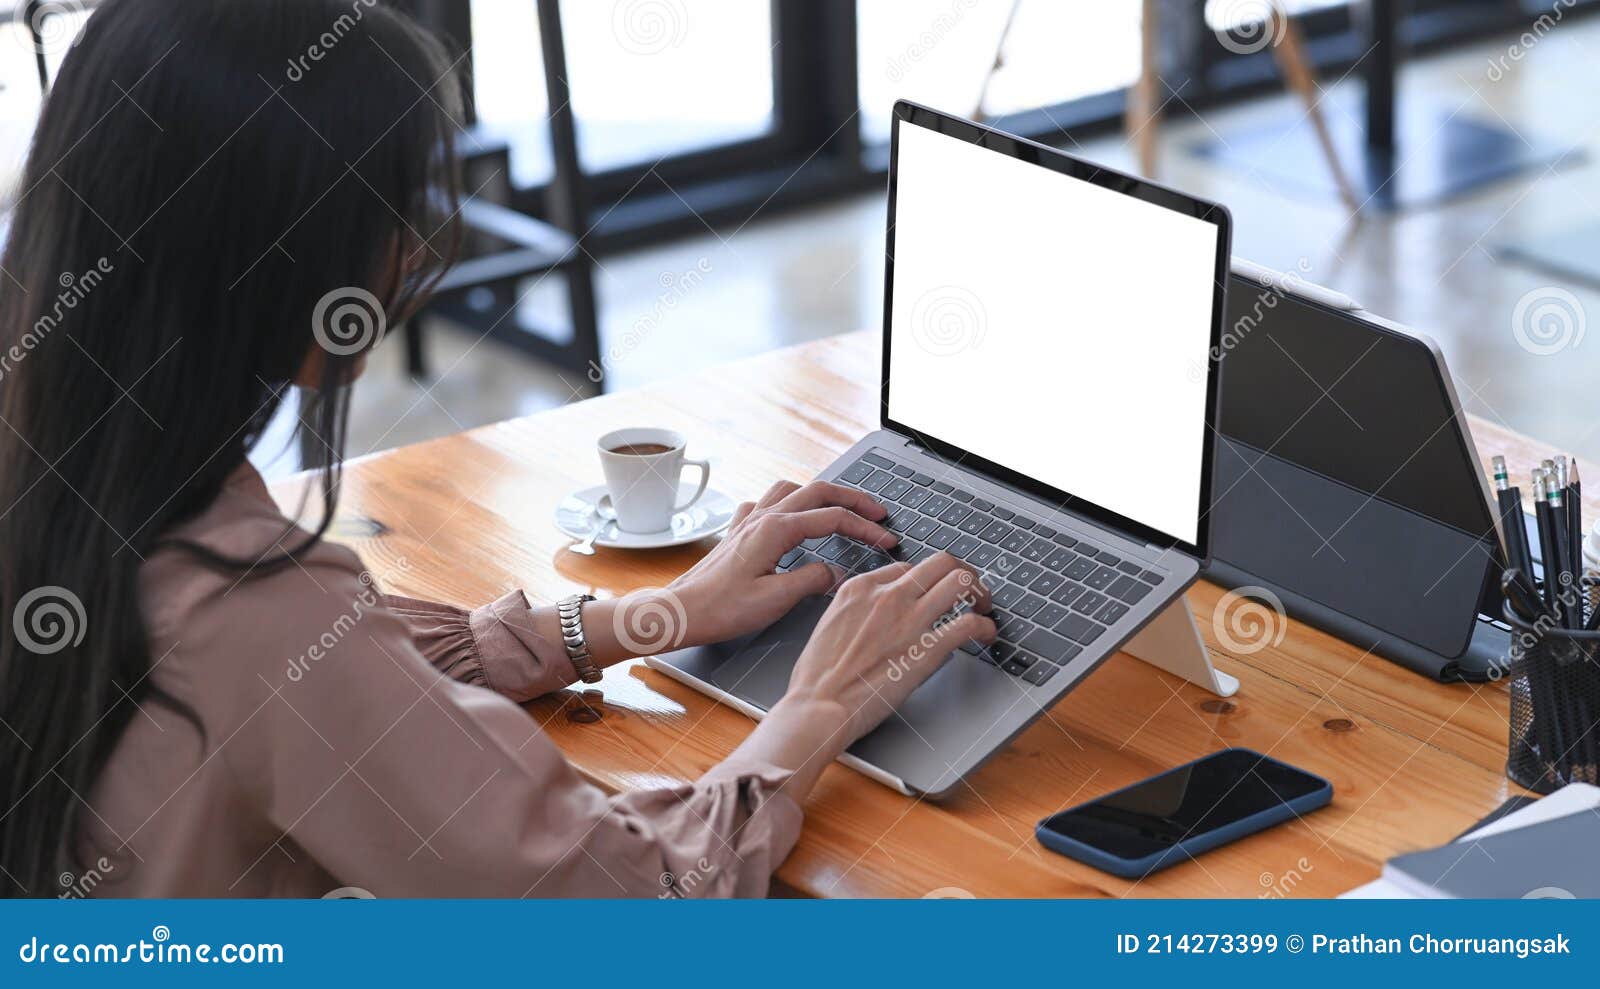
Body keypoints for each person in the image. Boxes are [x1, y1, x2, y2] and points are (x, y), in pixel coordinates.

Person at [0, 0, 995, 898]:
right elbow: (637, 908)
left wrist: (653, 614)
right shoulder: (256, 607)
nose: (416, 251)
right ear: (276, 254)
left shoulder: (74, 452)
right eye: (392, 208)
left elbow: (348, 678)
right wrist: (820, 702)